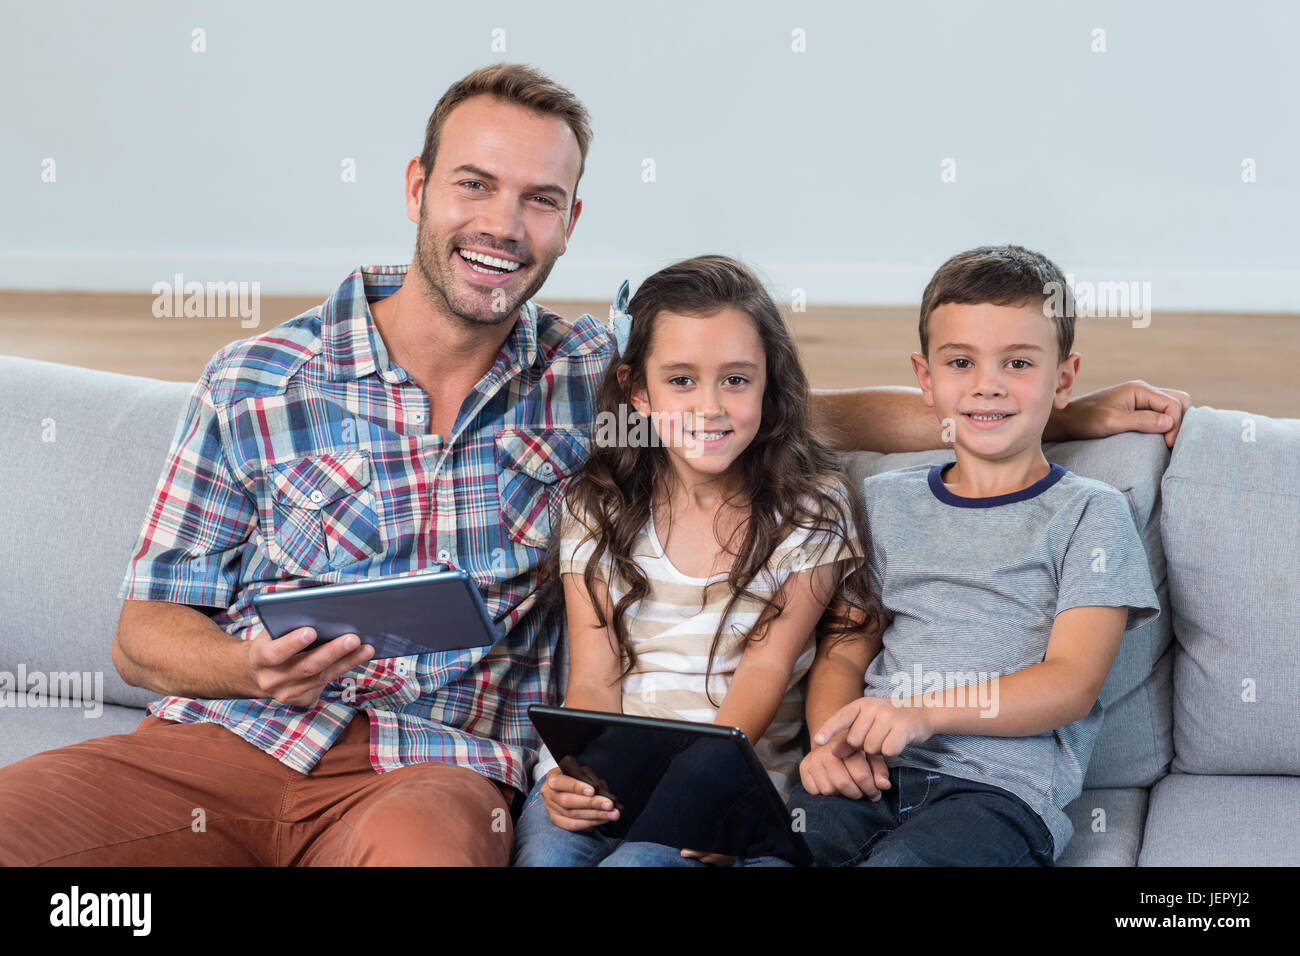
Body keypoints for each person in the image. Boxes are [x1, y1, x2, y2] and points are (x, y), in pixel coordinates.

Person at [0, 59, 1187, 866]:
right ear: (419, 189)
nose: (501, 222)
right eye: (474, 184)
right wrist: (248, 665)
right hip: (226, 744)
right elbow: (141, 633)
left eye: (539, 199)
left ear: (569, 222)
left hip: (431, 770)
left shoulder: (593, 375)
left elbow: (787, 408)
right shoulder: (255, 378)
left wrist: (1053, 419)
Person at [788, 245, 1162, 866]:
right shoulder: (881, 502)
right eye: (961, 362)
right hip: (870, 775)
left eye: (1017, 362)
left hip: (997, 794)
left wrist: (921, 714)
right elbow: (846, 645)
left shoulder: (1090, 514)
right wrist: (830, 739)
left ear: (1063, 379)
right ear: (926, 377)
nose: (987, 385)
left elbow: (1070, 682)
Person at [512, 255, 886, 866]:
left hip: (729, 781)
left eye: (736, 380)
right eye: (681, 380)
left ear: (770, 384)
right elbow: (594, 677)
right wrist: (572, 773)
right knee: (546, 857)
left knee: (638, 863)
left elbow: (766, 669)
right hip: (613, 774)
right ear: (638, 391)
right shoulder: (597, 506)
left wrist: (705, 793)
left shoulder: (812, 509)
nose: (709, 407)